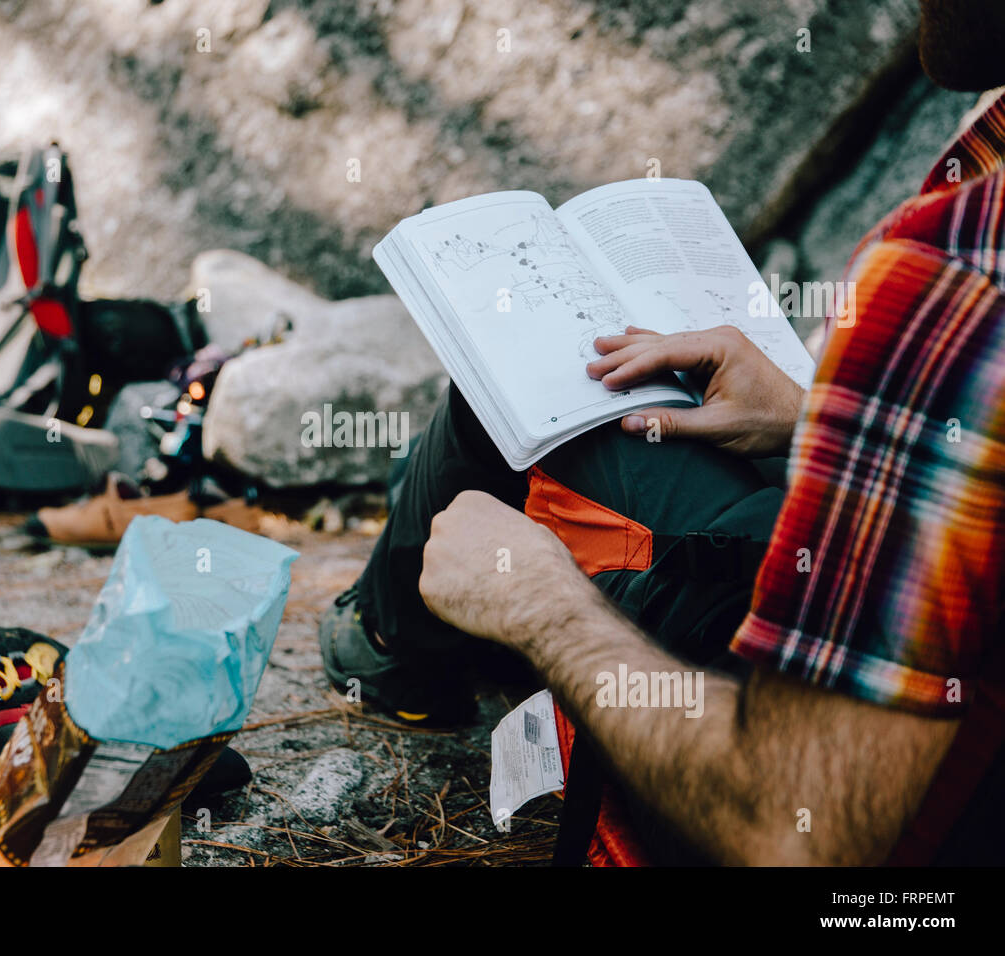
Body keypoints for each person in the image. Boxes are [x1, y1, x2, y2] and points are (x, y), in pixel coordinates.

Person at [318, 0, 1005, 865]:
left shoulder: (963, 270)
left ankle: (383, 645)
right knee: (630, 405)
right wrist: (810, 416)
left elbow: (798, 824)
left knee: (513, 404)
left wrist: (544, 609)